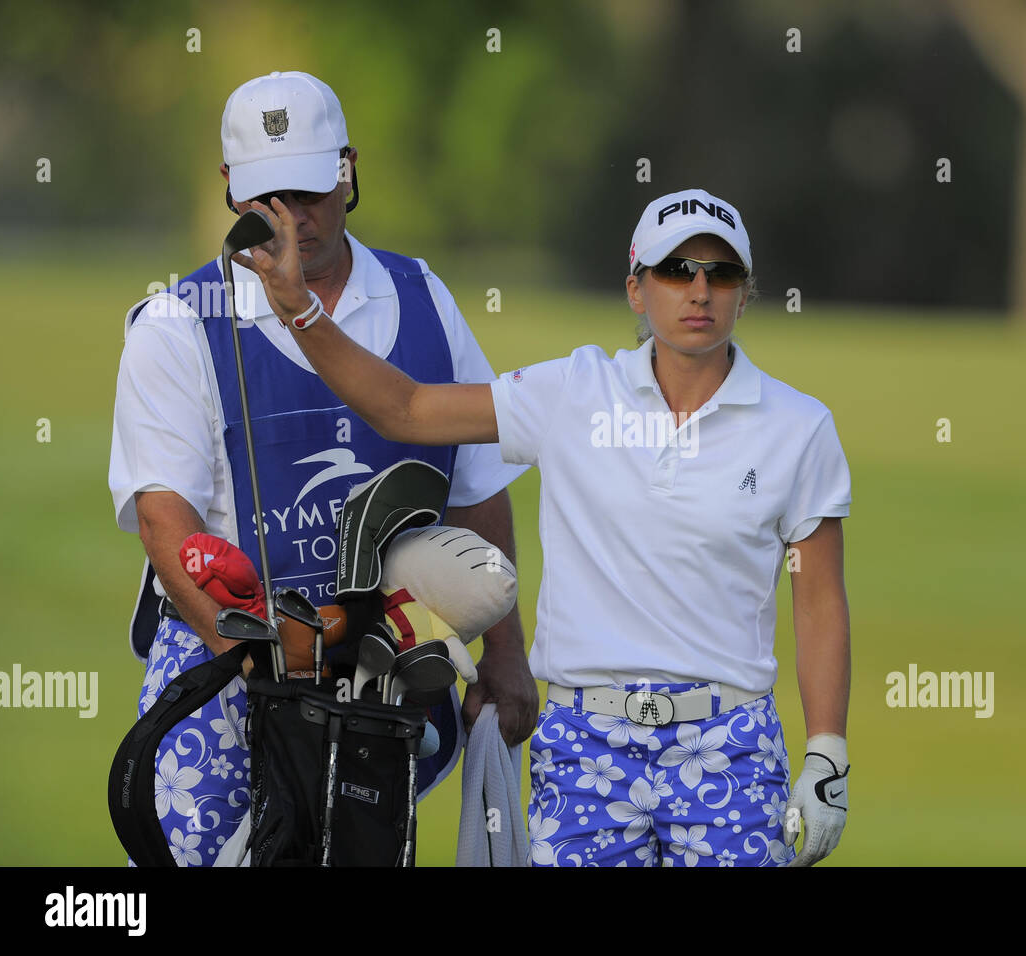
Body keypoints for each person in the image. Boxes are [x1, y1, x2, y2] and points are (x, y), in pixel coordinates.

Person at [236, 186, 852, 867]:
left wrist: (826, 750)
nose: (699, 290)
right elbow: (406, 409)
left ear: (745, 293)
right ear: (636, 291)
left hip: (730, 746)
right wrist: (299, 309)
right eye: (676, 270)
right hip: (586, 743)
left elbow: (818, 600)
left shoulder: (799, 427)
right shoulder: (575, 391)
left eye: (722, 273)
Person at [108, 71, 538, 865]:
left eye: (307, 189)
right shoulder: (174, 326)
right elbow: (170, 530)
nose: (289, 219)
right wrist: (262, 665)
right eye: (264, 198)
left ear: (348, 171)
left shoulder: (423, 297)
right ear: (232, 191)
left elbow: (477, 490)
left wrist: (507, 658)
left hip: (387, 663)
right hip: (225, 655)